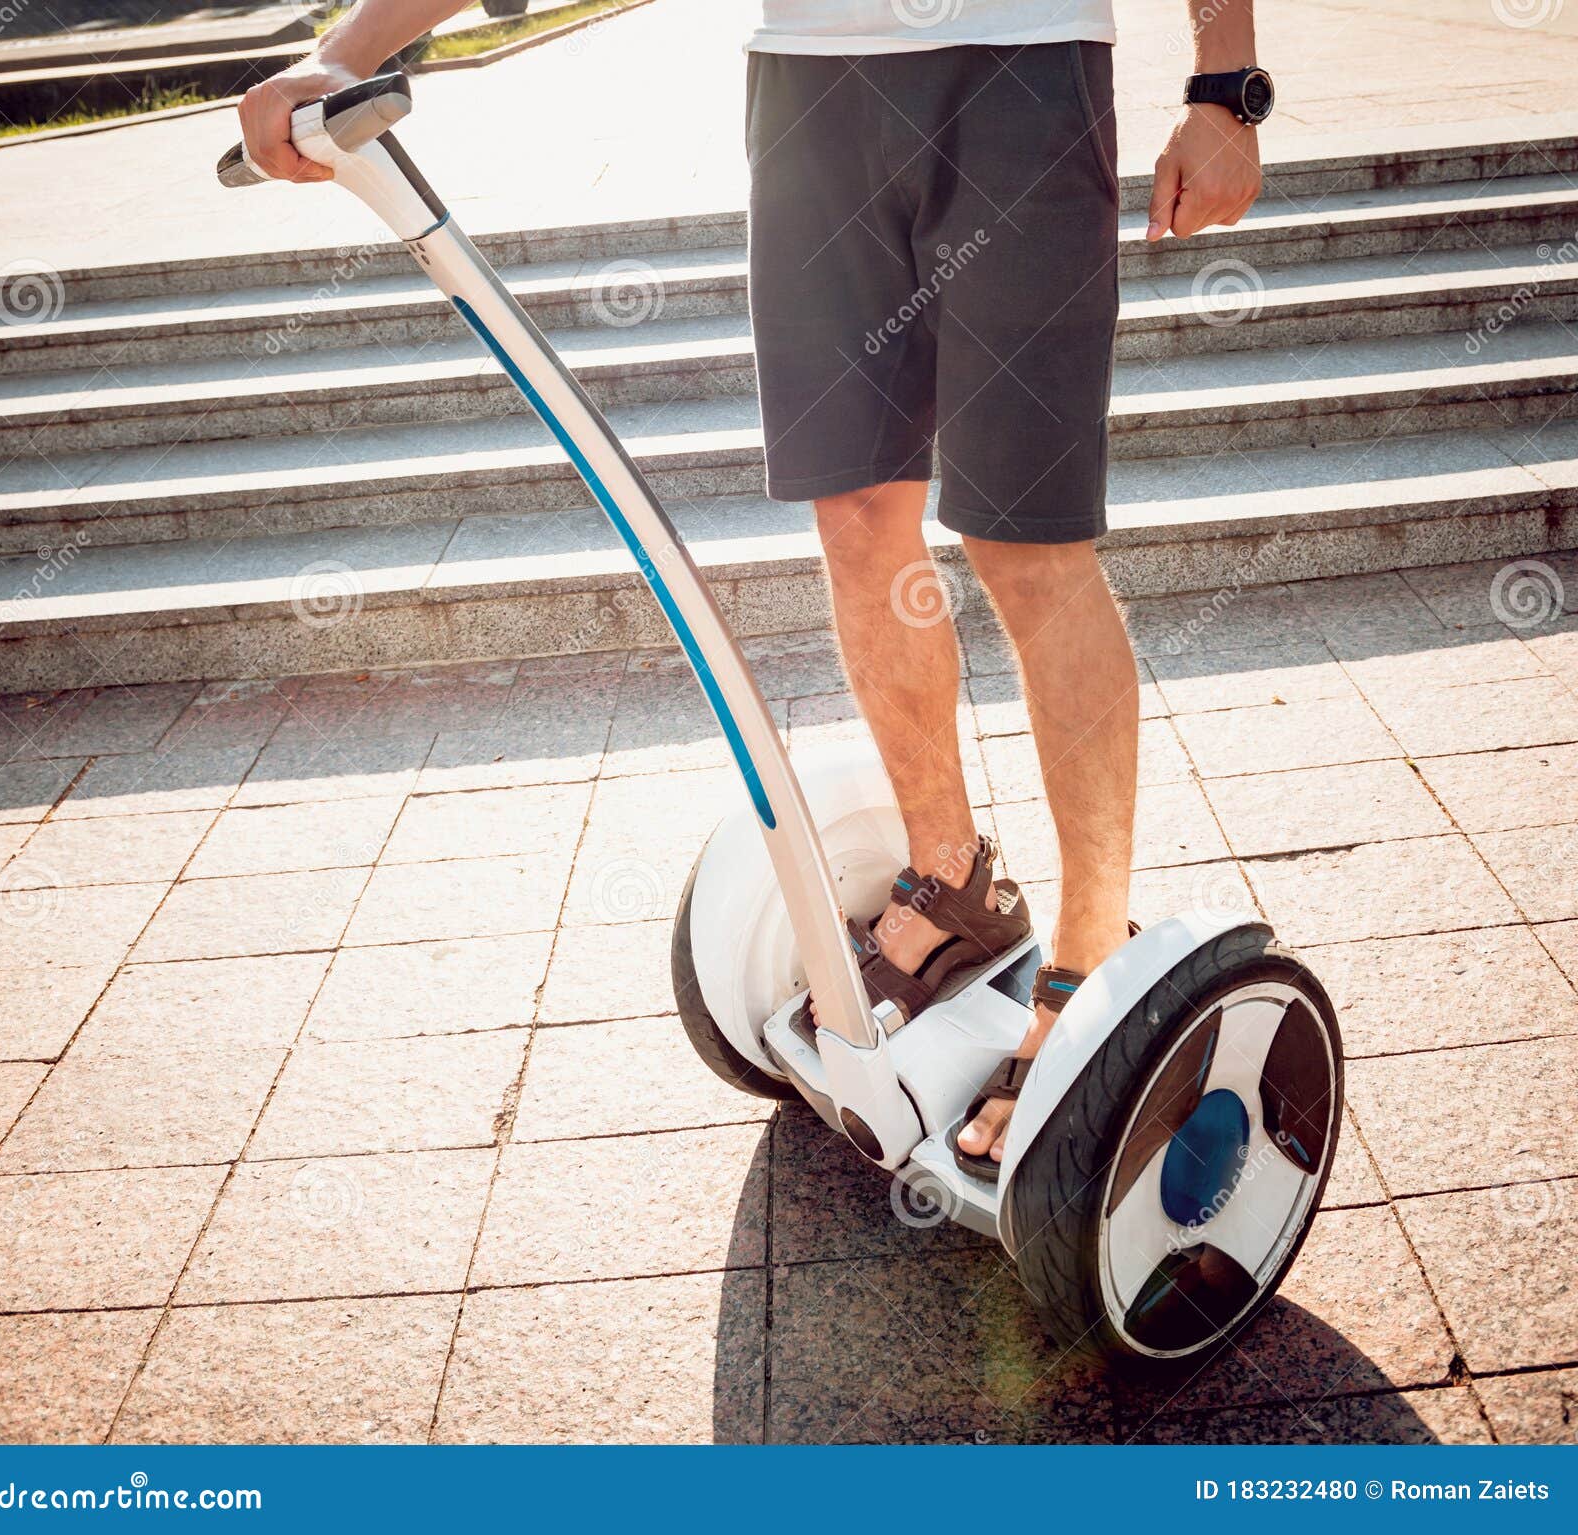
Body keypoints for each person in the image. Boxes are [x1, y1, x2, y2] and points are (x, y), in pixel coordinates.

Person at [239, 0, 1269, 1173]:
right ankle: (952, 879)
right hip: (812, 87)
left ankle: (1085, 963)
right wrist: (347, 51)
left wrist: (1223, 84)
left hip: (1021, 66)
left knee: (1026, 543)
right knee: (858, 512)